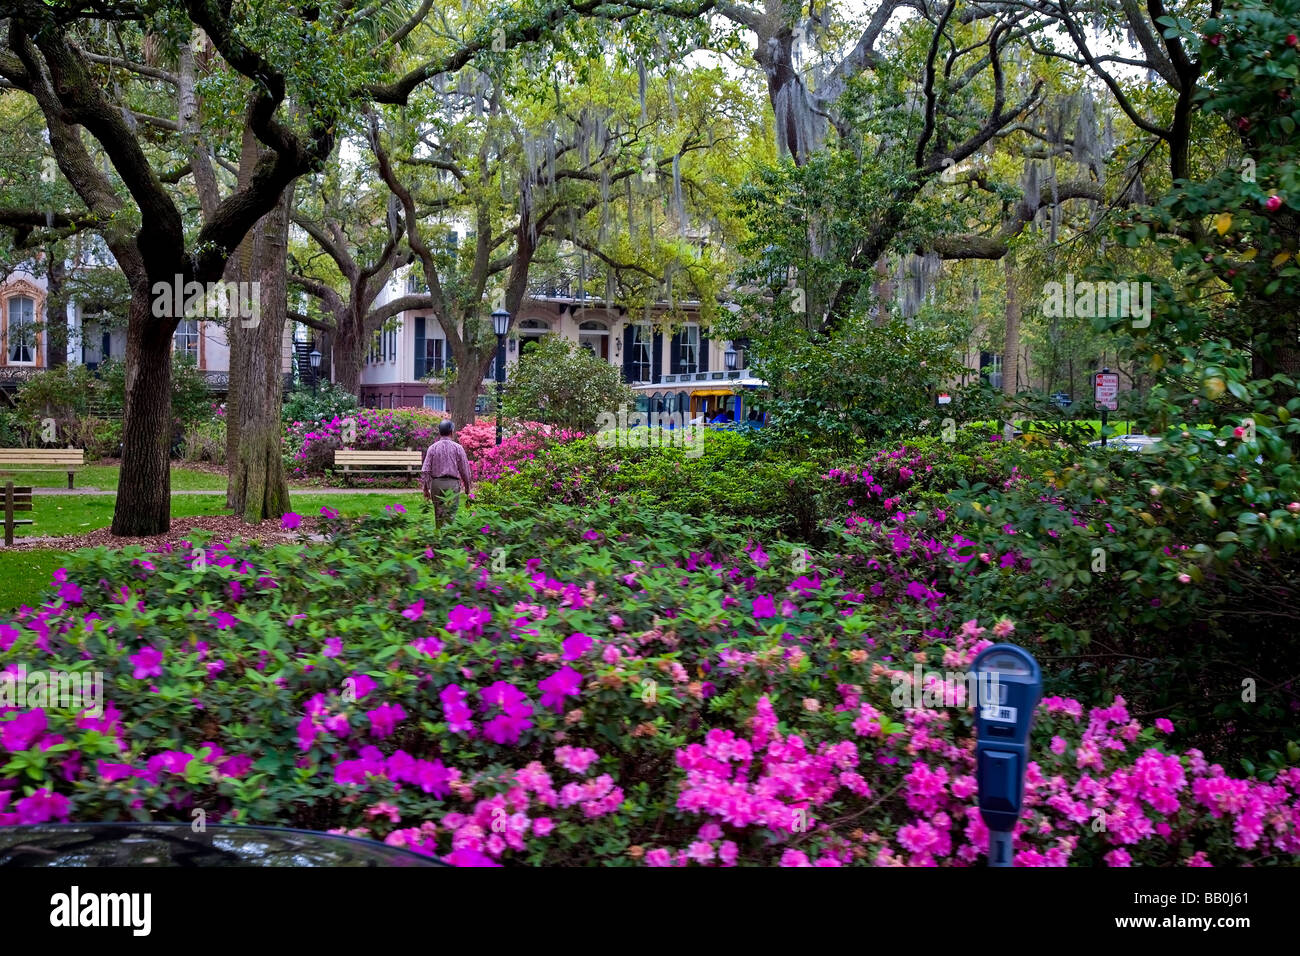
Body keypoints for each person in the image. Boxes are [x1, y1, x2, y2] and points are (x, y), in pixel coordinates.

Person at [421, 419, 473, 527]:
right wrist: (467, 487)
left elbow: (425, 470)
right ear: (451, 432)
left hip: (436, 484)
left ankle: (439, 539)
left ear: (440, 432)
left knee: (439, 517)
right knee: (450, 517)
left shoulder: (432, 448)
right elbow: (464, 469)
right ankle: (448, 540)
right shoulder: (458, 448)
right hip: (452, 485)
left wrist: (426, 488)